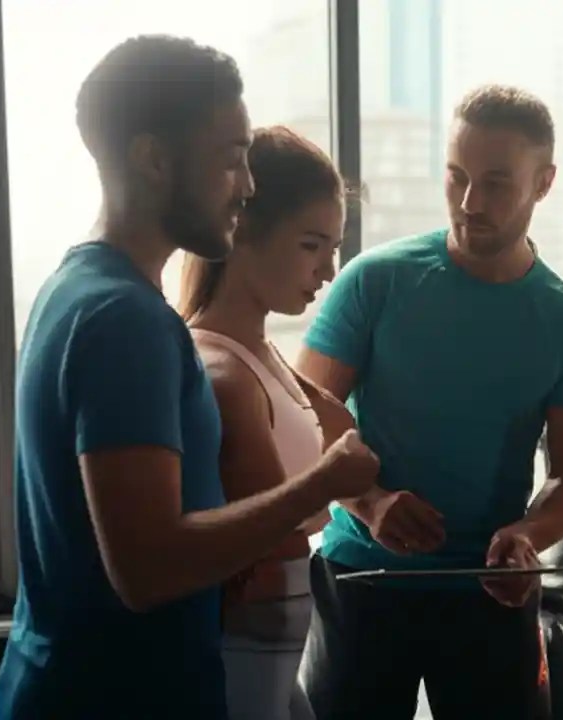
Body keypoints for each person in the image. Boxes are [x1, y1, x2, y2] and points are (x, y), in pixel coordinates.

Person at [0, 36, 378, 720]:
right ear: (153, 159)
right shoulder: (125, 322)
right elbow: (146, 569)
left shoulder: (78, 291)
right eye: (232, 161)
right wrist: (320, 486)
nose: (248, 186)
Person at [295, 84, 563, 720]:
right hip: (362, 578)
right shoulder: (375, 281)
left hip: (489, 592)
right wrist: (372, 502)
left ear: (544, 183)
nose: (470, 202)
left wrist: (526, 535)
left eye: (495, 183)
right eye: (457, 176)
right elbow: (303, 421)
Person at [179, 125, 350, 720]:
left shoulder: (263, 355)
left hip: (275, 659)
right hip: (245, 656)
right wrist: (333, 484)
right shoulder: (223, 369)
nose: (328, 271)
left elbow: (342, 441)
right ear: (244, 228)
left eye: (333, 248)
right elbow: (274, 527)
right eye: (311, 246)